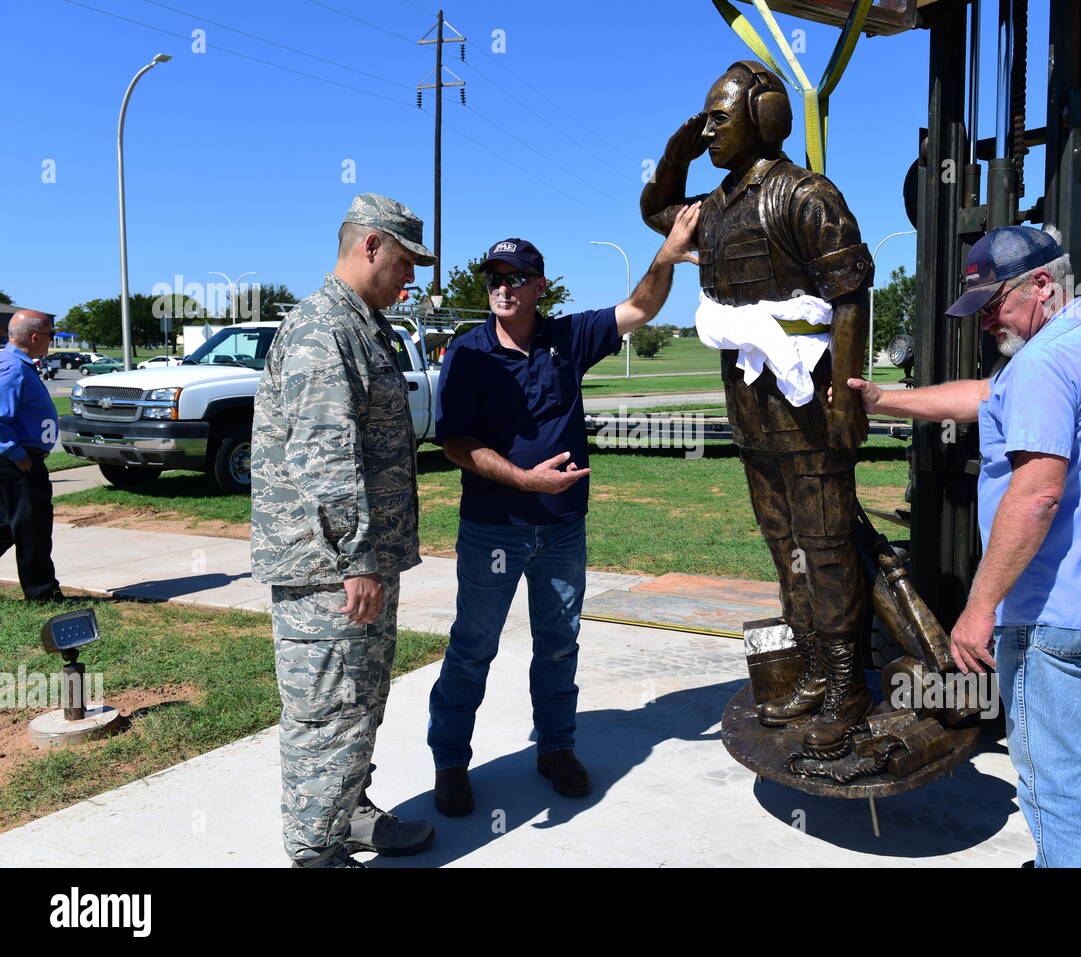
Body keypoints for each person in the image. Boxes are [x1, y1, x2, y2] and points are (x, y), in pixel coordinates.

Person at [848, 225, 1081, 867]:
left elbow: (1038, 494)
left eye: (994, 304)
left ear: (1042, 283)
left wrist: (979, 607)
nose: (987, 321)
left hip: (1052, 606)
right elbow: (985, 397)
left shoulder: (1046, 362)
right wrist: (884, 399)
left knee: (1048, 771)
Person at [428, 213, 699, 816]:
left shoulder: (566, 338)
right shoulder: (467, 353)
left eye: (517, 276)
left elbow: (640, 309)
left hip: (561, 528)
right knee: (474, 646)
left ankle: (555, 747)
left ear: (540, 285)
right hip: (492, 529)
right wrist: (525, 479)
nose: (504, 286)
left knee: (558, 643)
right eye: (494, 276)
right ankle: (450, 762)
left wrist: (669, 252)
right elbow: (455, 444)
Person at [640, 61, 873, 752]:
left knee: (827, 547)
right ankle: (807, 664)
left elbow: (851, 291)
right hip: (752, 413)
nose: (709, 129)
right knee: (786, 547)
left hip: (807, 408)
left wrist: (847, 397)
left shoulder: (805, 195)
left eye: (720, 117)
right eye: (706, 118)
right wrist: (675, 156)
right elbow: (658, 214)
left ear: (765, 116)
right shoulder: (714, 209)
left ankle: (846, 683)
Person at [251, 193, 436, 868]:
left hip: (356, 560)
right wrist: (356, 559)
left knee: (358, 705)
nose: (408, 277)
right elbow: (326, 456)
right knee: (328, 715)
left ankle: (348, 809)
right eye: (404, 261)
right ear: (370, 246)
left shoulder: (360, 323)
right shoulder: (322, 329)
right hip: (329, 569)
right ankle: (315, 850)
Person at [0, 310, 62, 602]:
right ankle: (42, 593)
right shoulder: (13, 368)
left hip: (18, 460)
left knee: (6, 526)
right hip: (18, 463)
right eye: (51, 334)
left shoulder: (19, 364)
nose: (52, 340)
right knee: (32, 527)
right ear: (36, 337)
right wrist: (18, 454)